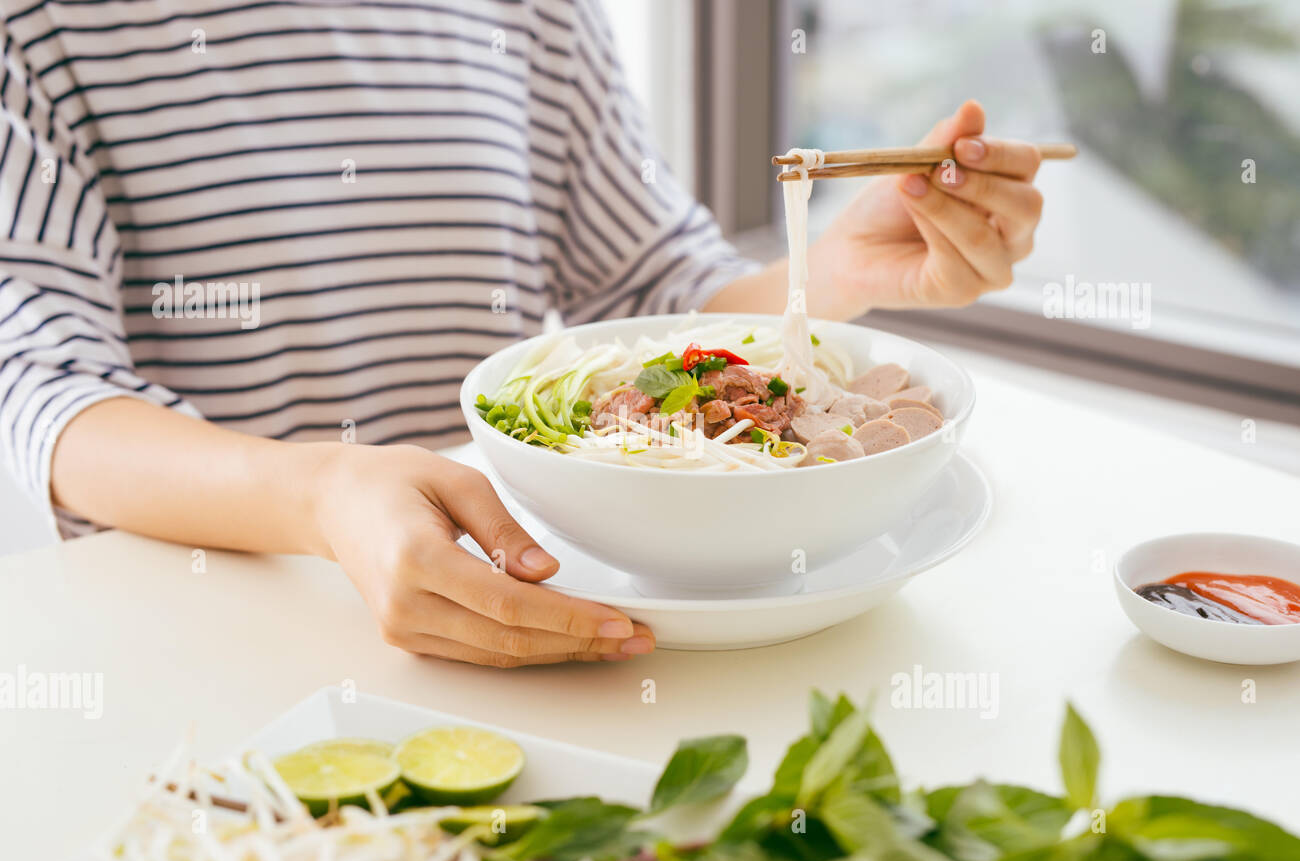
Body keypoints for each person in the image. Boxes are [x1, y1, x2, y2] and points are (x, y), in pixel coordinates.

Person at [0, 1, 1045, 667]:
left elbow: (656, 287)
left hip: (532, 605)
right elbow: (46, 389)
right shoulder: (42, 30)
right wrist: (321, 496)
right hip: (219, 631)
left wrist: (833, 272)